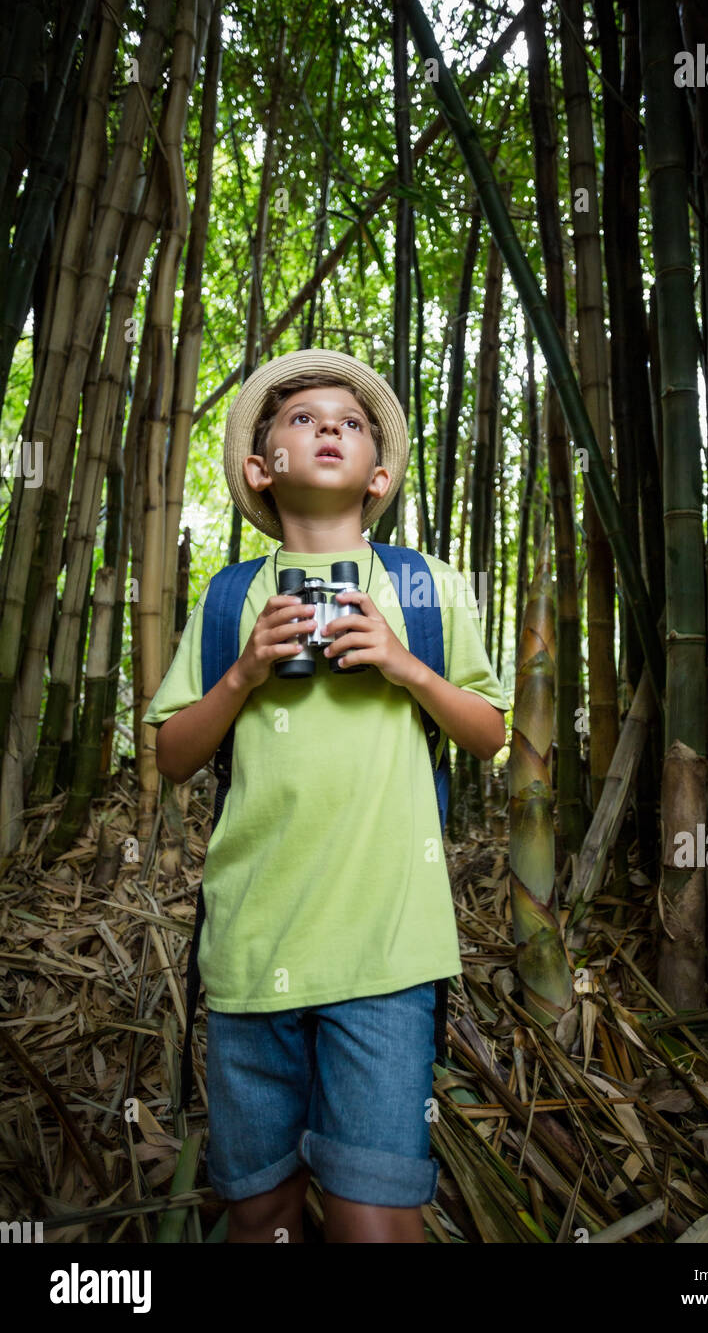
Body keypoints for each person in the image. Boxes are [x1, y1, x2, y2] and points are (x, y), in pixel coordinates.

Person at [142, 349, 510, 1243]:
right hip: (250, 944)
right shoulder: (230, 599)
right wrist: (245, 673)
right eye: (303, 418)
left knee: (371, 1216)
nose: (330, 427)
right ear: (260, 469)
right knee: (260, 1209)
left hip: (386, 953)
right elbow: (171, 755)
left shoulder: (423, 587)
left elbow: (490, 733)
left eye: (349, 421)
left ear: (378, 474)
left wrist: (401, 661)